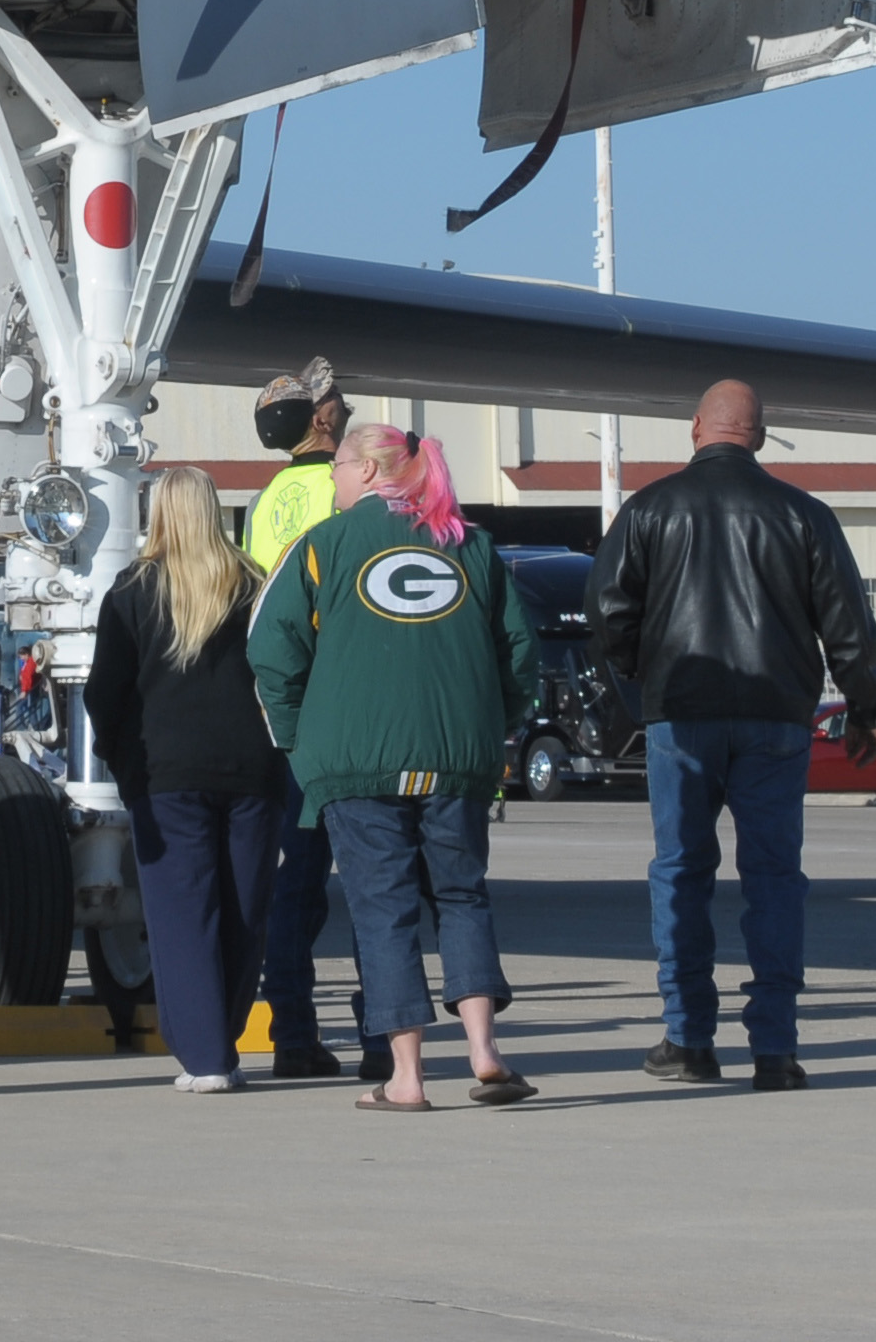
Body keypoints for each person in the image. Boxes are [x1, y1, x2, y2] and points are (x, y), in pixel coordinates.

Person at [582, 377, 876, 1091]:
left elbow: (606, 608)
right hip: (776, 715)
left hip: (682, 714)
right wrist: (865, 710)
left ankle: (688, 1038)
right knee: (774, 878)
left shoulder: (650, 507)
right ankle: (775, 1048)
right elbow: (849, 625)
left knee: (681, 871)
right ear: (761, 436)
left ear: (696, 429)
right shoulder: (804, 514)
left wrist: (645, 677)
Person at [253, 426, 537, 1111]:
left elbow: (270, 646)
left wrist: (297, 739)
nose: (332, 478)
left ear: (366, 470)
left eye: (338, 466)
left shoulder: (321, 545)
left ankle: (406, 1077)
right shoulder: (471, 544)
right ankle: (485, 1050)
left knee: (384, 908)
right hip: (455, 759)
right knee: (462, 897)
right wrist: (490, 727)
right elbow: (519, 653)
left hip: (355, 762)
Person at [85, 461, 278, 1094]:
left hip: (167, 773)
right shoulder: (253, 583)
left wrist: (119, 757)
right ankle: (222, 1039)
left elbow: (104, 691)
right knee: (244, 911)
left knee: (183, 914)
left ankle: (205, 1055)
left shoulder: (134, 589)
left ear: (159, 512)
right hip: (252, 769)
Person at [240, 357, 351, 1078]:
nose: (345, 407)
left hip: (278, 702)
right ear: (320, 417)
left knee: (294, 877)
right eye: (338, 400)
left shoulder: (263, 503)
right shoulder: (343, 492)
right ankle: (380, 1032)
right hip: (337, 698)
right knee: (369, 872)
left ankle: (291, 1027)